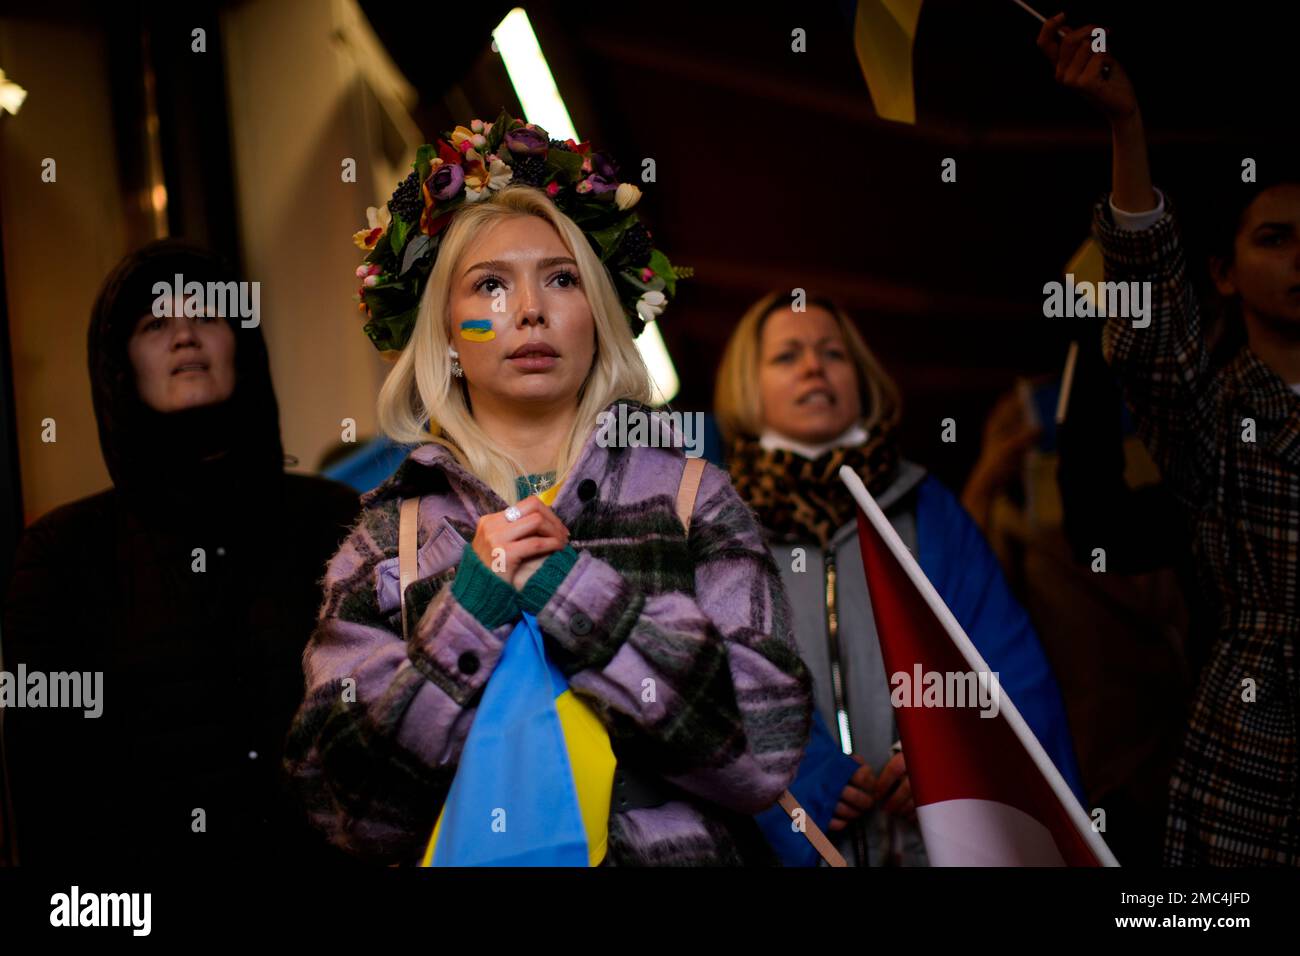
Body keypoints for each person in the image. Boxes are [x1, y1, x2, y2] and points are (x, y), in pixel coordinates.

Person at [284, 115, 812, 866]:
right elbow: (347, 805)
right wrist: (468, 611)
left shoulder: (697, 499)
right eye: (490, 286)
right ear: (447, 335)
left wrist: (572, 593)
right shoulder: (386, 539)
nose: (529, 309)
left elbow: (763, 747)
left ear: (596, 314)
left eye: (561, 279)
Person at [1, 239, 361, 864]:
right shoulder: (61, 555)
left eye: (206, 313)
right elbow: (46, 792)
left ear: (242, 346)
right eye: (155, 323)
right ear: (120, 365)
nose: (185, 334)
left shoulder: (332, 517)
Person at [1039, 13, 1300, 865]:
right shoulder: (1212, 412)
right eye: (1276, 238)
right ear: (1221, 274)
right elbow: (1151, 322)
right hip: (1257, 752)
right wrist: (1127, 126)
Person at [714, 291, 1085, 866]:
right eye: (787, 356)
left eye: (833, 353)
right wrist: (792, 775)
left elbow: (1011, 670)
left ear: (861, 377)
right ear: (746, 386)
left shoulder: (928, 511)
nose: (814, 366)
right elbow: (700, 693)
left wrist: (950, 752)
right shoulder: (719, 529)